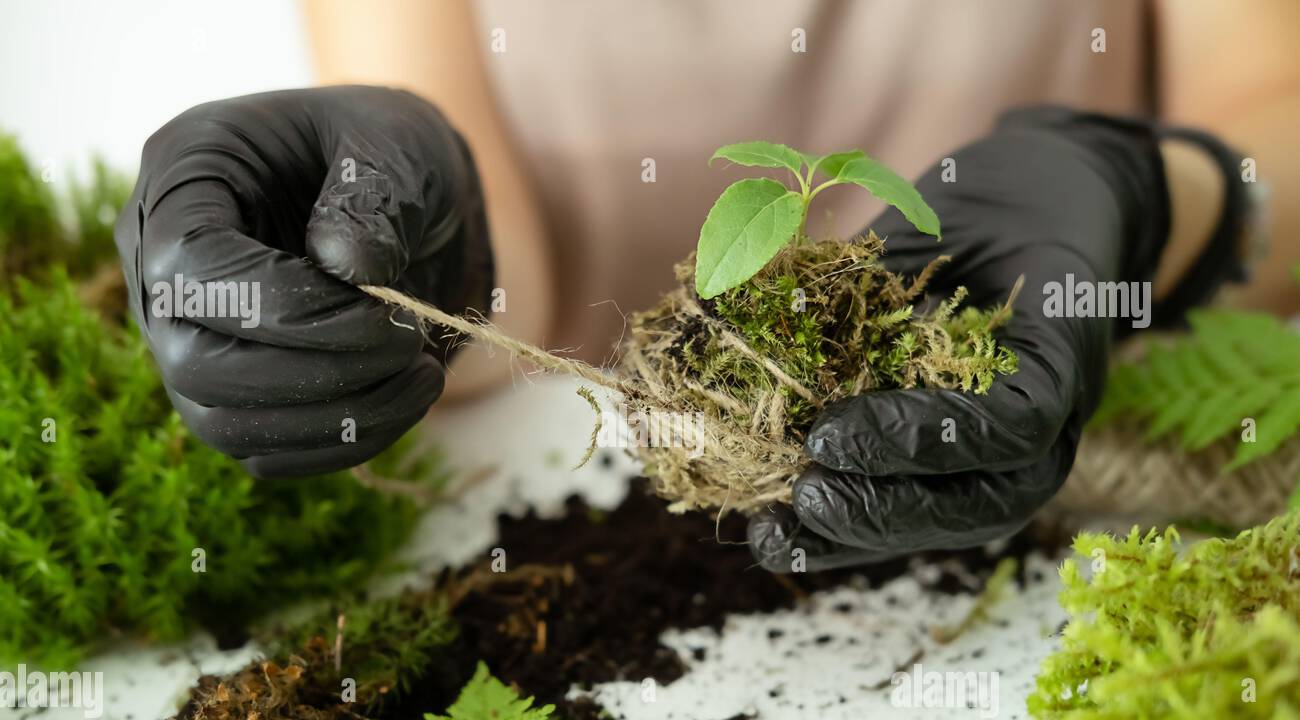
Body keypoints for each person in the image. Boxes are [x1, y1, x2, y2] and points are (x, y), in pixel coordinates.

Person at [114, 0, 1300, 572]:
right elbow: (498, 301)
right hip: (612, 498)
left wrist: (1144, 191)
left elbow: (1272, 123)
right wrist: (405, 257)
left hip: (1086, 451)